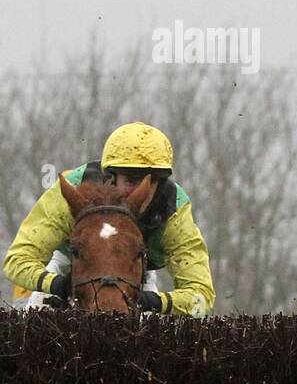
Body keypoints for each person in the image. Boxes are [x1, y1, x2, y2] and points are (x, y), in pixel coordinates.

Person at [5, 122, 216, 315]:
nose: (139, 191)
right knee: (32, 322)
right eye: (131, 180)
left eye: (149, 182)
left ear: (159, 183)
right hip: (65, 265)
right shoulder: (70, 189)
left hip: (136, 275)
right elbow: (18, 260)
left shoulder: (174, 209)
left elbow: (201, 297)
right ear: (111, 177)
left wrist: (154, 301)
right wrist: (58, 285)